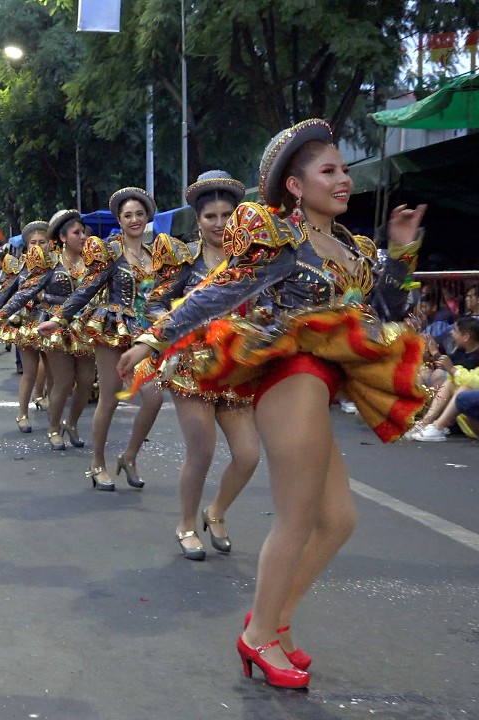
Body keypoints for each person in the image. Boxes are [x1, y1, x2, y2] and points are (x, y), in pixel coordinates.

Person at [118, 119, 428, 690]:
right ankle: (259, 636)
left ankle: (275, 622)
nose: (342, 179)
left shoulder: (351, 248)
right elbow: (225, 287)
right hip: (290, 376)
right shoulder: (282, 238)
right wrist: (154, 336)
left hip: (323, 383)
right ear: (294, 184)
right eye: (327, 171)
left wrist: (402, 249)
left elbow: (384, 311)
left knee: (338, 521)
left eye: (343, 169)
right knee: (298, 516)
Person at [40, 188, 192, 490]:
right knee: (108, 398)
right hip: (111, 329)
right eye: (127, 215)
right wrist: (61, 317)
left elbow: (170, 293)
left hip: (144, 334)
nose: (134, 219)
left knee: (153, 396)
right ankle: (97, 462)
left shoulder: (157, 254)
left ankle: (130, 455)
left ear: (147, 216)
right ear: (119, 220)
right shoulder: (110, 251)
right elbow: (88, 287)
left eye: (139, 214)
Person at [148, 172, 259, 559]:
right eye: (210, 216)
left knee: (248, 455)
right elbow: (155, 303)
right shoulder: (185, 260)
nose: (219, 223)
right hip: (192, 369)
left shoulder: (251, 261)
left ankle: (217, 512)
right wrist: (178, 335)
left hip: (238, 367)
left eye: (227, 215)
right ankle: (186, 524)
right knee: (203, 451)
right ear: (197, 220)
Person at [0, 210, 101, 451]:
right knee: (63, 382)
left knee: (87, 382)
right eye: (77, 233)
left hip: (85, 327)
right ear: (64, 237)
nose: (83, 238)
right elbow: (21, 292)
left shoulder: (94, 262)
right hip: (53, 325)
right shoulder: (50, 263)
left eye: (83, 233)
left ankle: (72, 423)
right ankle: (53, 427)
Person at [0, 221, 53, 432]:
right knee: (29, 371)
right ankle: (22, 413)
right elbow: (4, 294)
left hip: (50, 324)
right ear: (26, 245)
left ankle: (52, 412)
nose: (37, 246)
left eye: (42, 242)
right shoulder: (19, 267)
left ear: (50, 244)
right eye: (33, 242)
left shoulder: (56, 266)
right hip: (25, 324)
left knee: (52, 371)